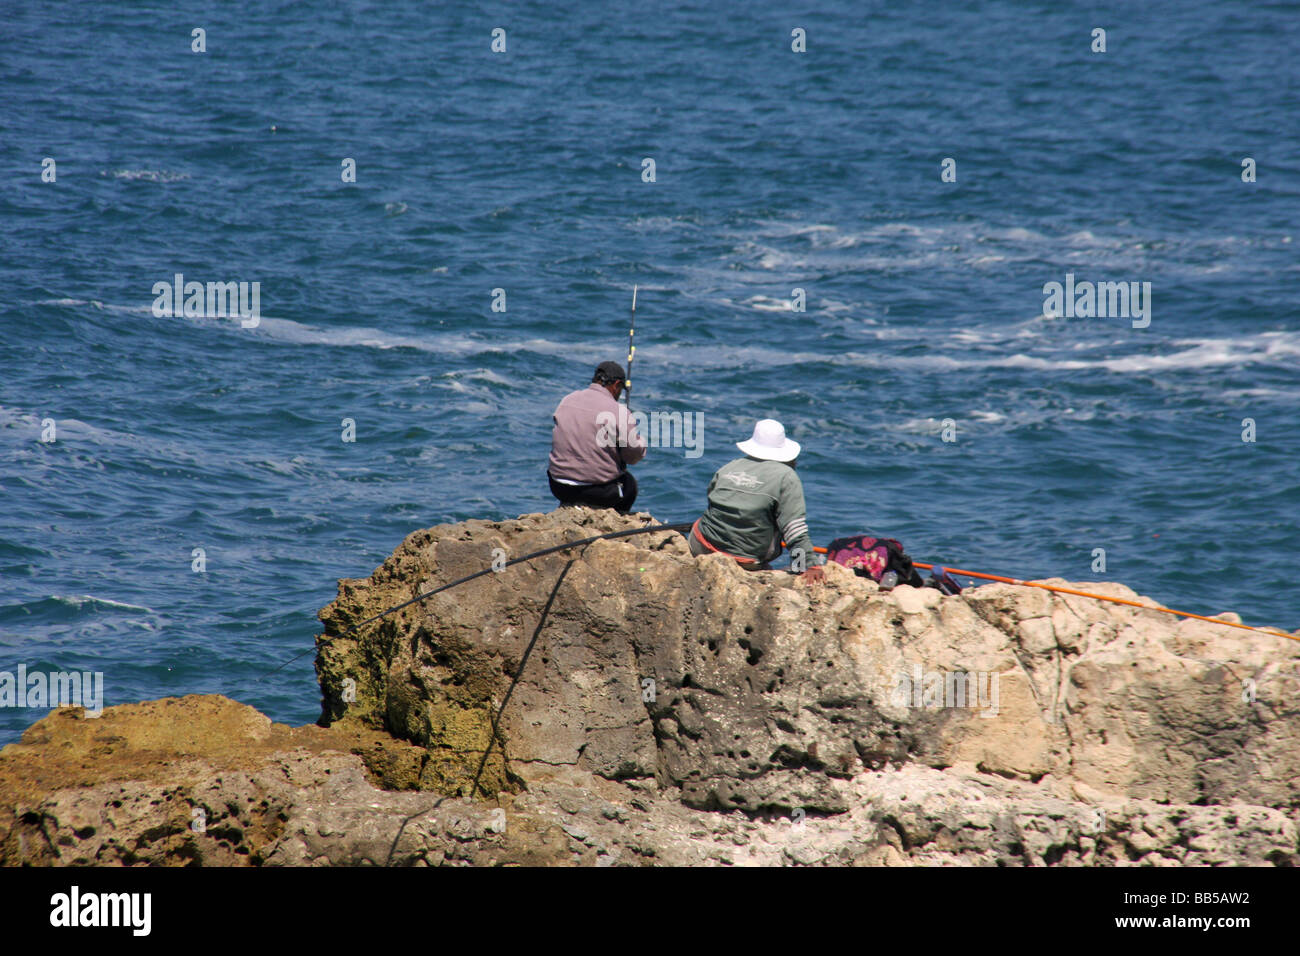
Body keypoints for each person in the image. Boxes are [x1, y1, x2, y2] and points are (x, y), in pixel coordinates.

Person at [690, 419, 825, 582]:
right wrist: (805, 565)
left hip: (700, 545)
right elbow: (793, 529)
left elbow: (714, 503)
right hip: (744, 560)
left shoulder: (729, 467)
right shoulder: (787, 477)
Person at [547, 361, 647, 513]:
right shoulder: (618, 411)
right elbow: (633, 457)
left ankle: (571, 507)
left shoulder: (567, 400)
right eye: (621, 390)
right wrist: (640, 441)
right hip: (597, 492)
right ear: (616, 385)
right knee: (629, 484)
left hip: (559, 486)